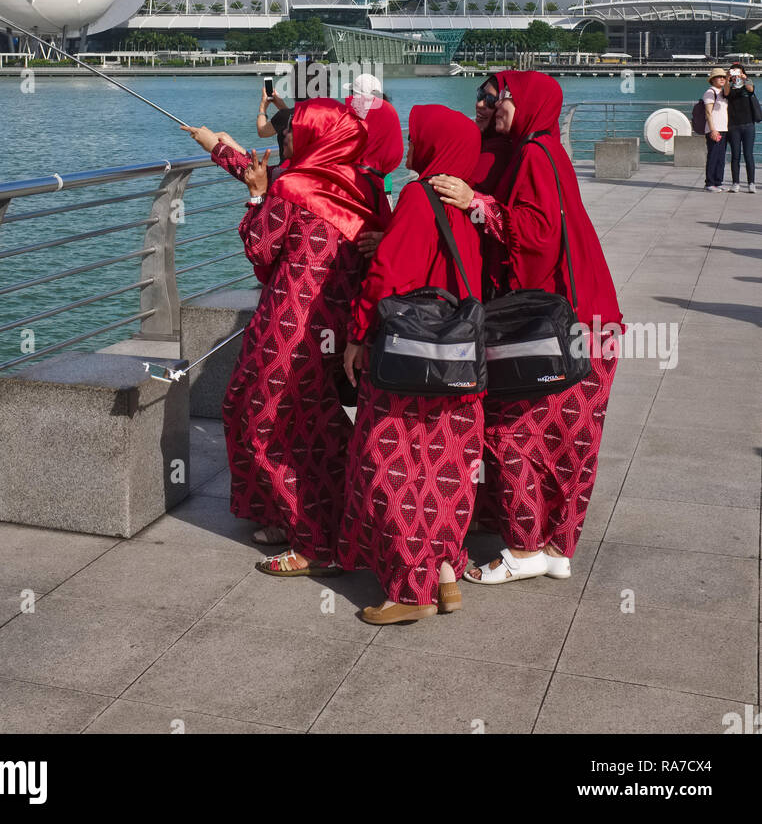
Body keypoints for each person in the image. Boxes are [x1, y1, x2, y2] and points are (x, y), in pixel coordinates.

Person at [432, 70, 623, 585]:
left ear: (530, 102)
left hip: (561, 323)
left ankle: (523, 549)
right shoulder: (545, 149)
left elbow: (536, 236)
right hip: (592, 320)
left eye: (504, 98)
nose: (497, 106)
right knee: (569, 444)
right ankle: (559, 547)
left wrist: (476, 203)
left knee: (510, 433)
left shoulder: (535, 155)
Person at [218, 99, 390, 570]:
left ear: (317, 134)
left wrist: (256, 197)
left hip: (287, 324)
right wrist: (225, 152)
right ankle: (311, 519)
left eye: (291, 128)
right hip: (341, 324)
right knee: (315, 423)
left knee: (258, 420)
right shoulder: (367, 185)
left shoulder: (292, 185)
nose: (283, 136)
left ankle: (313, 541)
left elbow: (260, 252)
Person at [335, 106, 486, 624]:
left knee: (392, 466)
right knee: (444, 468)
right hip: (457, 361)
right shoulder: (461, 199)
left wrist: (357, 335)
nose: (411, 144)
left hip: (411, 356)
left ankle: (409, 591)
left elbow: (387, 275)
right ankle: (445, 576)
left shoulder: (422, 195)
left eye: (417, 136)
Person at [343, 72, 404, 199]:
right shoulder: (389, 114)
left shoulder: (354, 117)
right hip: (383, 185)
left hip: (357, 185)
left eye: (351, 92)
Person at [725, 62, 757, 194]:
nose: (735, 75)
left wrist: (744, 78)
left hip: (748, 125)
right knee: (735, 155)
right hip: (733, 126)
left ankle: (751, 183)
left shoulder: (746, 85)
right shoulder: (730, 88)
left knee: (748, 155)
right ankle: (735, 183)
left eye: (738, 72)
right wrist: (727, 79)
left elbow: (751, 89)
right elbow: (726, 93)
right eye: (733, 72)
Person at [702, 68, 729, 192]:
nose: (722, 79)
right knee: (713, 156)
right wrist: (713, 130)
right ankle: (709, 183)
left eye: (724, 77)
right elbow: (708, 112)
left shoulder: (722, 92)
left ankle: (718, 181)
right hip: (714, 129)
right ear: (713, 80)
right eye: (719, 77)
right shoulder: (710, 92)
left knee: (721, 157)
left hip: (724, 129)